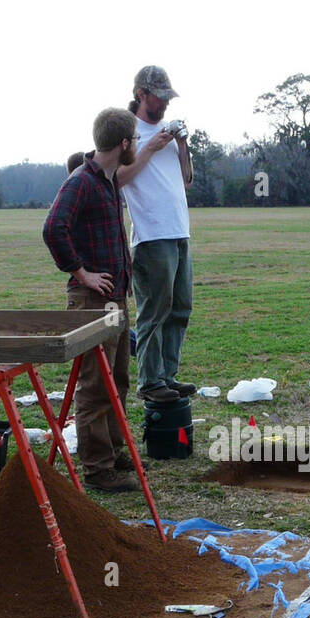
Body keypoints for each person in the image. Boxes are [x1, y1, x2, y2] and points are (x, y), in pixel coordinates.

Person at [43, 109, 139, 493]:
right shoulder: (81, 181)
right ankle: (98, 470)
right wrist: (81, 273)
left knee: (118, 381)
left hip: (115, 300)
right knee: (95, 386)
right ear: (124, 143)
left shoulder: (109, 181)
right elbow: (53, 228)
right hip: (91, 301)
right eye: (135, 140)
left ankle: (114, 452)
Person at [116, 65, 195, 406]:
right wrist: (150, 148)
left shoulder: (167, 129)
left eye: (167, 98)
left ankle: (168, 376)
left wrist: (181, 144)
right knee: (154, 311)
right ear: (140, 94)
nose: (164, 105)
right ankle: (150, 381)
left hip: (179, 231)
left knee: (180, 308)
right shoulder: (126, 131)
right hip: (150, 237)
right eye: (158, 98)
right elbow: (117, 178)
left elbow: (187, 179)